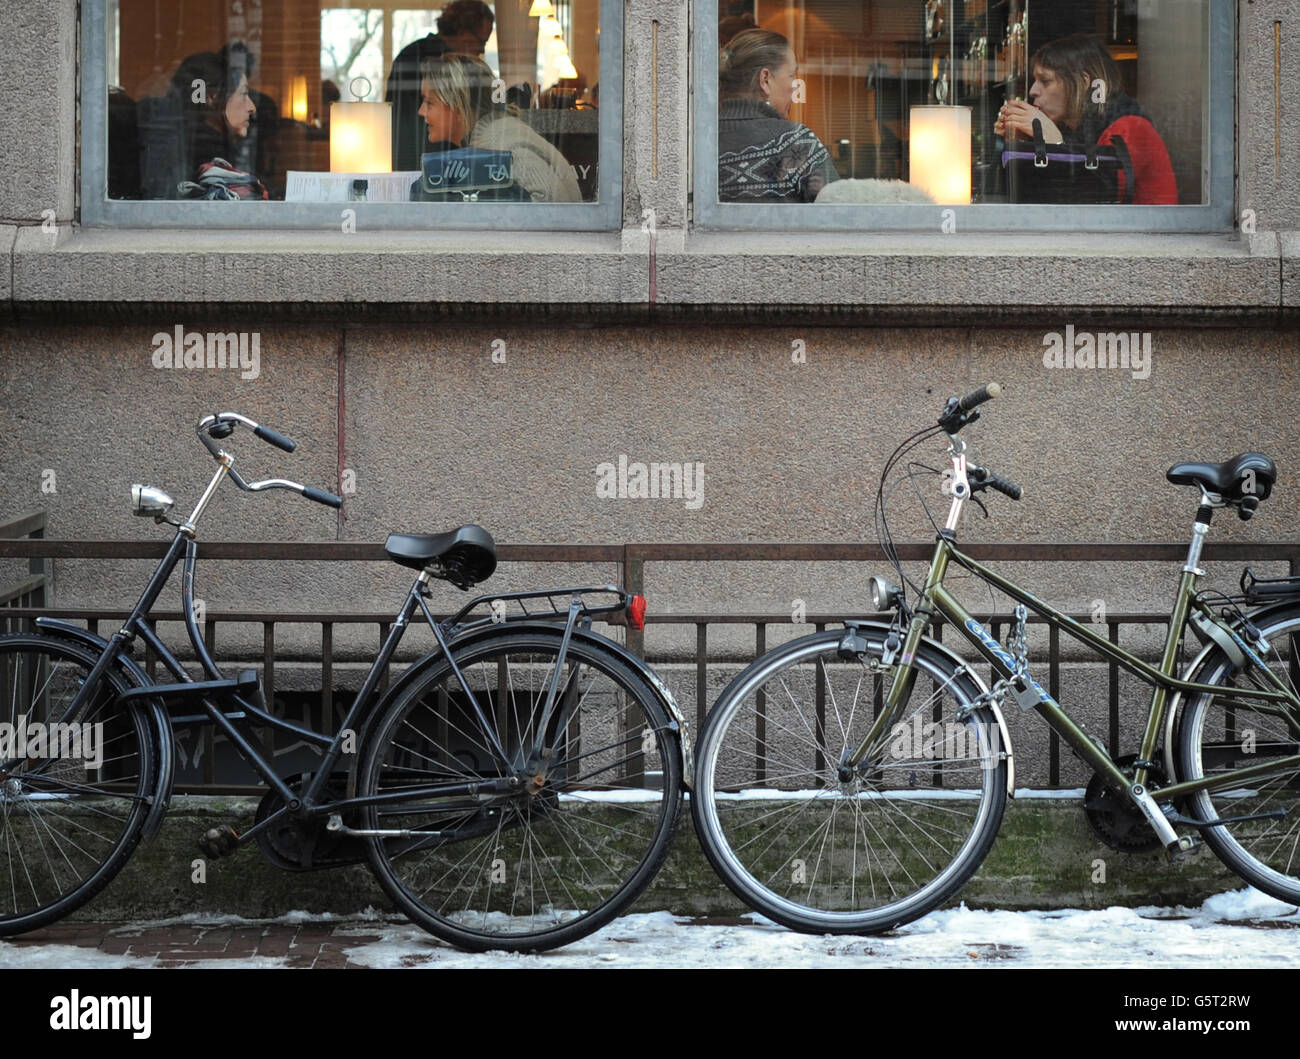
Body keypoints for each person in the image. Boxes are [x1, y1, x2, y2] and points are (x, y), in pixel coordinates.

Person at [995, 33, 1176, 205]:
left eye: (1045, 81)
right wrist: (1024, 142)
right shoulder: (1078, 129)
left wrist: (1055, 145)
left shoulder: (1129, 128)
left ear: (1083, 83)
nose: (1033, 90)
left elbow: (1095, 199)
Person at [415, 53, 581, 202]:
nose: (421, 111)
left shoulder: (500, 145)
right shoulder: (492, 136)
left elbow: (550, 199)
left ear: (457, 107)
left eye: (429, 102)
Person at [717, 29, 837, 203]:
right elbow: (843, 215)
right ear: (765, 80)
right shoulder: (795, 142)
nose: (794, 86)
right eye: (791, 76)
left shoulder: (698, 142)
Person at [385, 1, 495, 171]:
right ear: (462, 32)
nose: (481, 51)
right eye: (481, 42)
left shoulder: (415, 55)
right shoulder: (435, 64)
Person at [171, 44, 269, 200]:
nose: (252, 107)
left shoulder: (232, 146)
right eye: (243, 94)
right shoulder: (201, 158)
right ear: (211, 97)